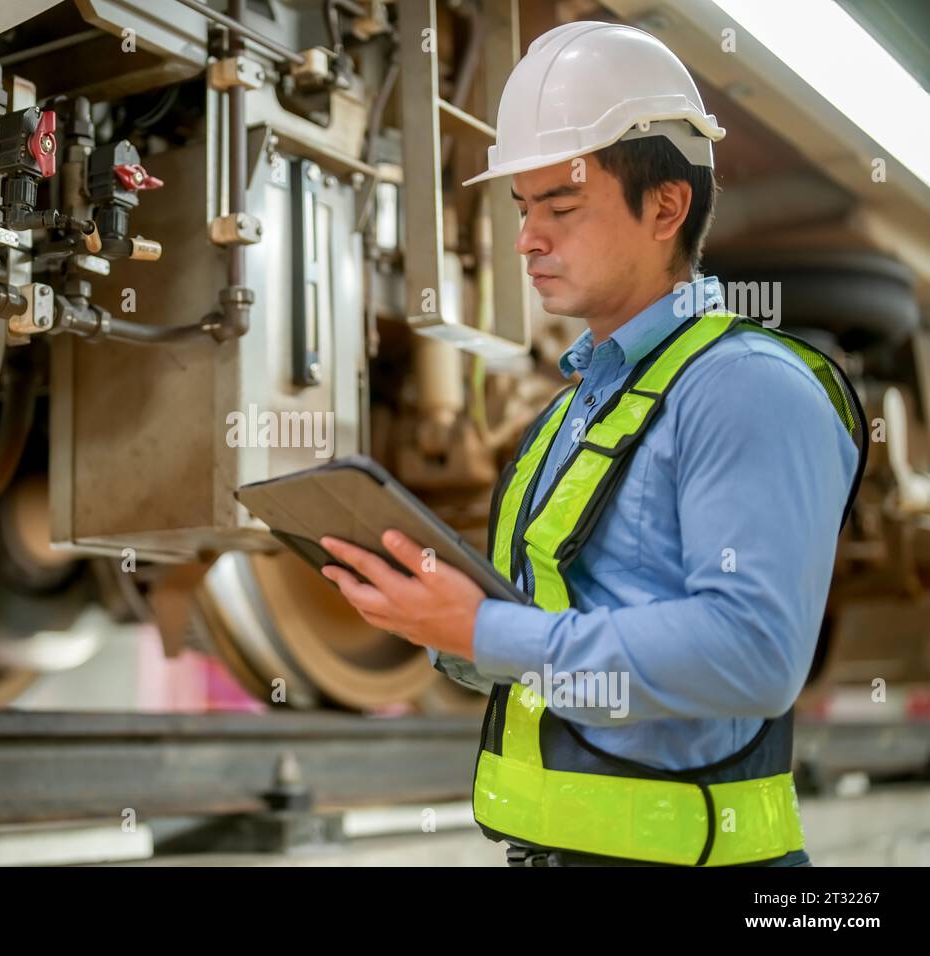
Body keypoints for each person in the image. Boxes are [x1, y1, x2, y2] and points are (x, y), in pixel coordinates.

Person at [318, 21, 865, 867]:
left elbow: (754, 654)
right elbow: (558, 634)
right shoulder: (579, 406)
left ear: (666, 206)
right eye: (524, 207)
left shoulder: (747, 386)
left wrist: (489, 632)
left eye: (561, 206)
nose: (527, 239)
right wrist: (443, 623)